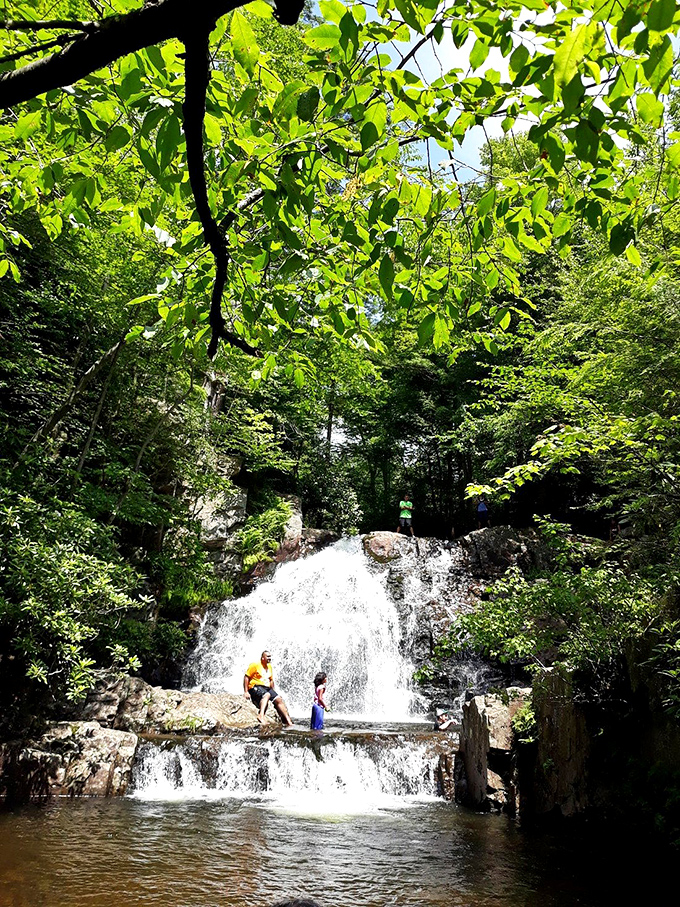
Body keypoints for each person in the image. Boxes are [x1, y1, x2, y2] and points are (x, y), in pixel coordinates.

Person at [243, 650, 293, 727]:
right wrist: (246, 691)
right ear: (262, 658)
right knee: (267, 695)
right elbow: (246, 677)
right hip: (255, 686)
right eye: (268, 656)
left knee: (278, 699)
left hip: (266, 687)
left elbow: (271, 680)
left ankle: (289, 722)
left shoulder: (269, 666)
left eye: (270, 656)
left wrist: (274, 692)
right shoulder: (255, 665)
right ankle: (261, 715)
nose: (270, 658)